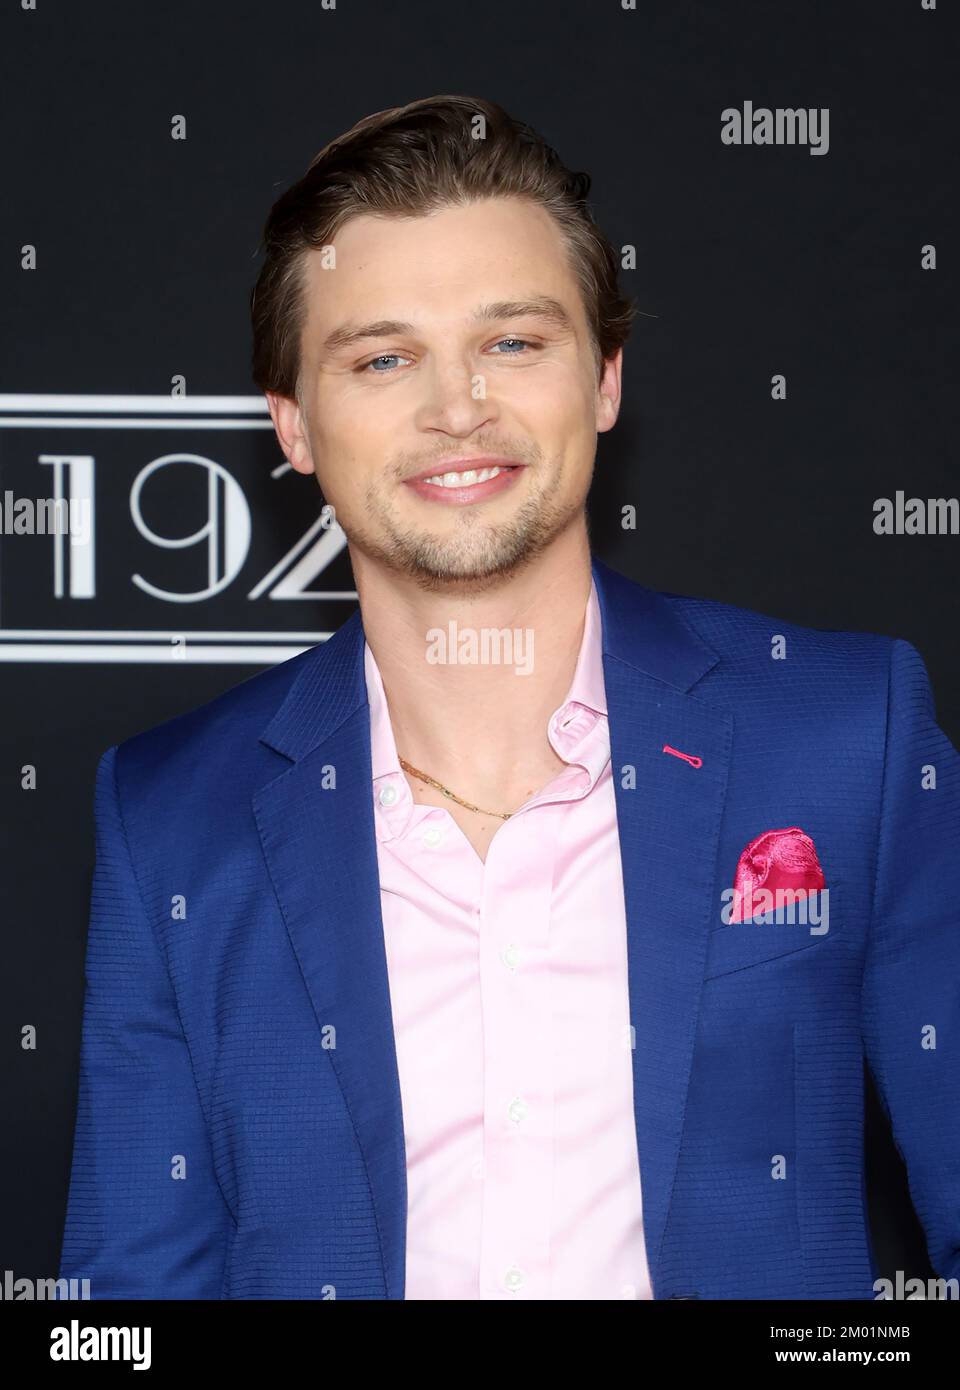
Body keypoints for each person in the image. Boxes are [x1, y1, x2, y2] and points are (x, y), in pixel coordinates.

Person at [59, 94, 960, 1300]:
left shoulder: (847, 734)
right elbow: (124, 1319)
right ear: (293, 426)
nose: (456, 407)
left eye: (514, 342)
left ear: (605, 378)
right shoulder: (170, 815)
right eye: (382, 358)